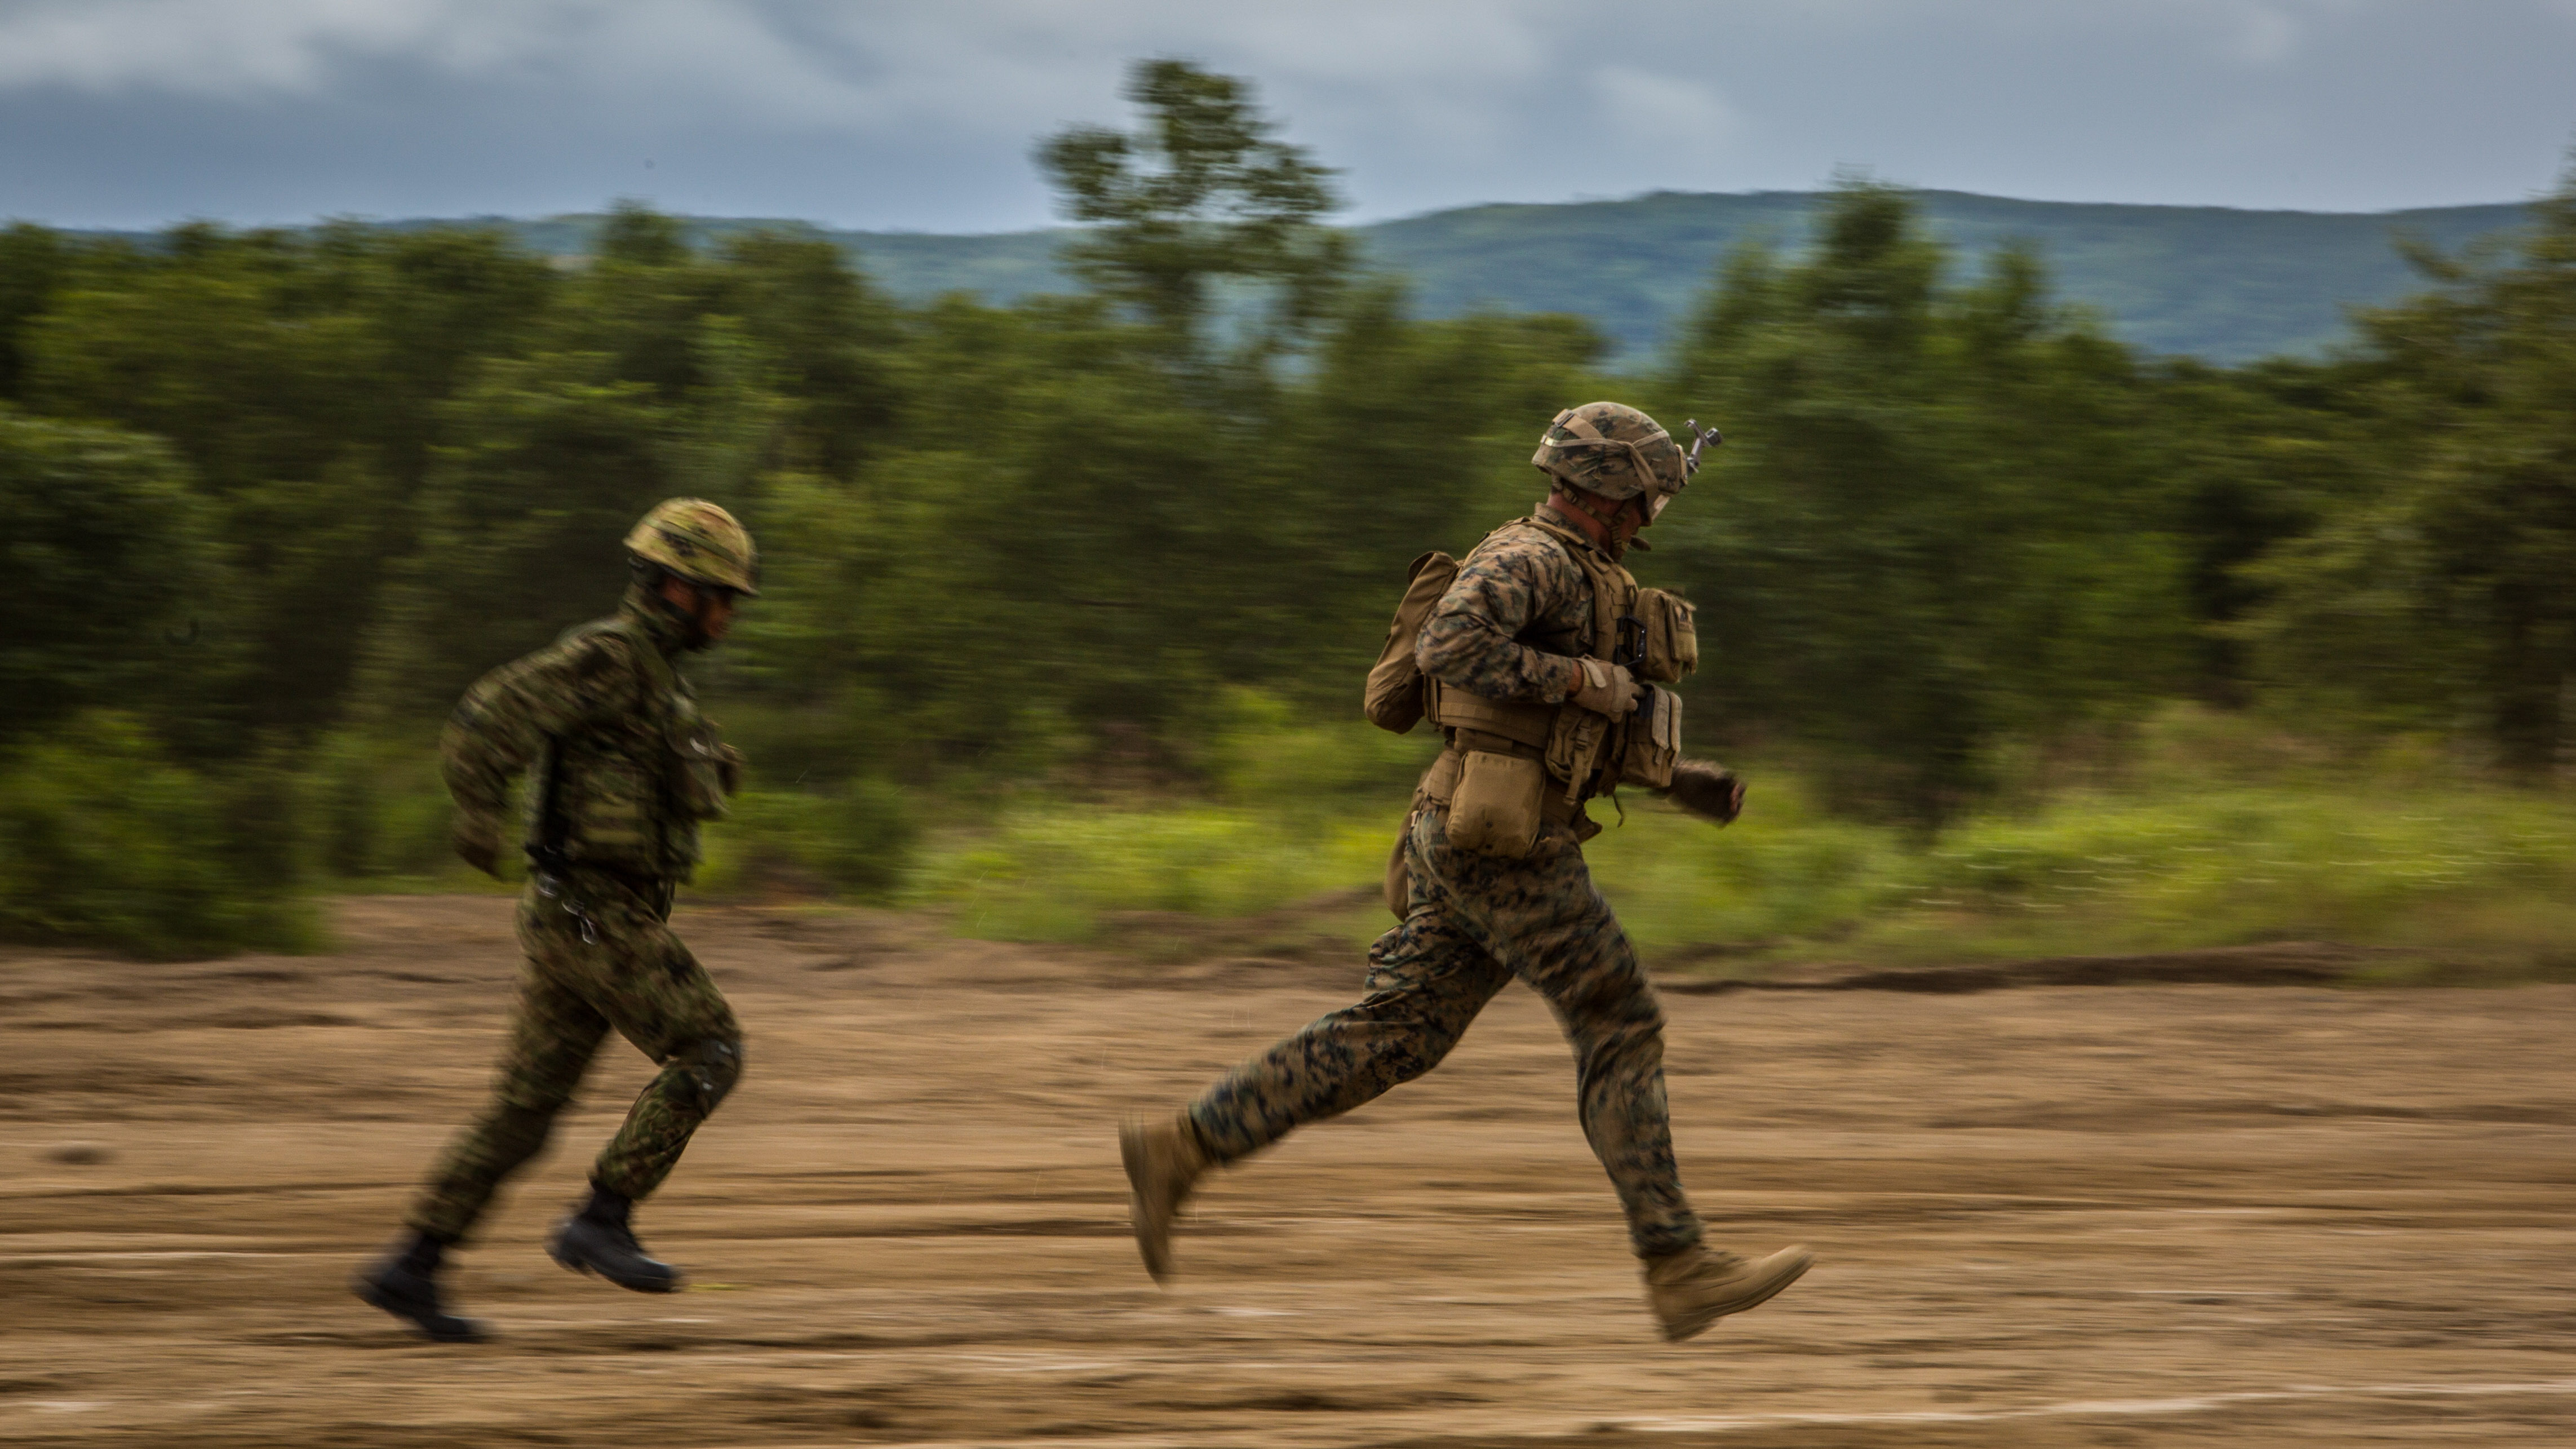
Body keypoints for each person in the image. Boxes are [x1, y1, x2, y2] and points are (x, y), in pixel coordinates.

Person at [1119, 403, 1811, 1342]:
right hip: (1503, 844)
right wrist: (1582, 681)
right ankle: (1679, 1266)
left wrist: (1675, 778)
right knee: (1619, 1021)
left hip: (1479, 831)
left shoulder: (1579, 568)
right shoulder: (1530, 558)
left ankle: (1185, 1145)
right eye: (1651, 493)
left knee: (1402, 1032)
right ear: (1614, 493)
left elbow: (1543, 728)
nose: (1656, 510)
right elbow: (1451, 648)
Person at [355, 499, 757, 1342]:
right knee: (711, 1048)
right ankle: (602, 1218)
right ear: (676, 588)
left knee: (525, 1109)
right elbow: (488, 717)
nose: (728, 614)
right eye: (720, 595)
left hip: (579, 912)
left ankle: (412, 1266)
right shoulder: (612, 658)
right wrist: (477, 809)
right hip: (591, 909)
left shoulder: (661, 683)